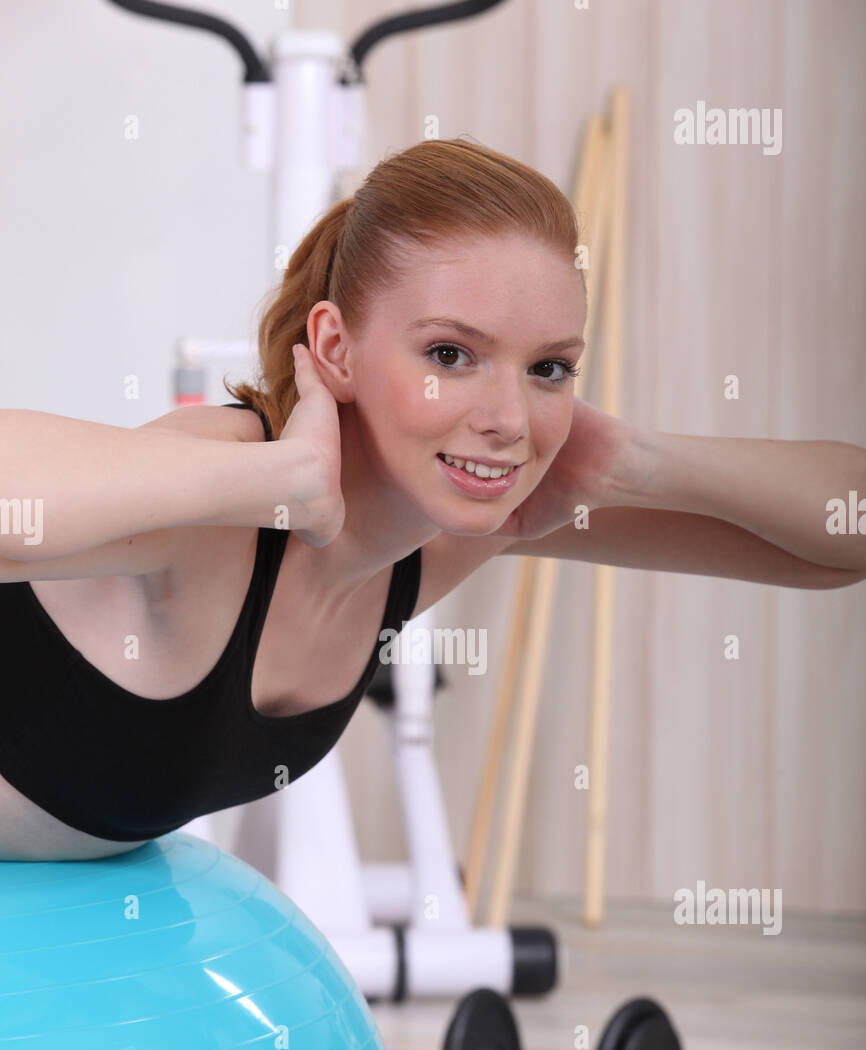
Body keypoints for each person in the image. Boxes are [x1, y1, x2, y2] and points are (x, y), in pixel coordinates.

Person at [1, 138, 863, 862]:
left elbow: (839, 541)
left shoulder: (454, 531)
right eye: (450, 355)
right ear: (334, 348)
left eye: (548, 368)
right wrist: (277, 485)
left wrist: (640, 461)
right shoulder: (228, 489)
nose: (507, 419)